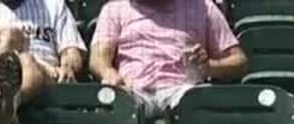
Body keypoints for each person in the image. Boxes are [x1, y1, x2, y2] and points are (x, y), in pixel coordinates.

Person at [90, 0, 249, 116]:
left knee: (203, 100)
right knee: (108, 100)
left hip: (183, 90)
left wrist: (209, 67)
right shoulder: (114, 9)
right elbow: (98, 58)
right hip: (133, 89)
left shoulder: (203, 7)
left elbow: (239, 62)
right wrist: (108, 73)